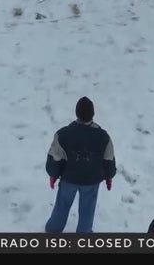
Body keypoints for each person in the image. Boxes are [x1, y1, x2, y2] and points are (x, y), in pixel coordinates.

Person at [45, 97, 117, 233]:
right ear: (93, 114)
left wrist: (53, 174)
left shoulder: (63, 134)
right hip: (91, 181)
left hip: (69, 178)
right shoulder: (103, 137)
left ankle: (53, 229)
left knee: (62, 204)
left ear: (76, 113)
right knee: (88, 208)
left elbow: (55, 157)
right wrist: (109, 176)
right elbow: (108, 159)